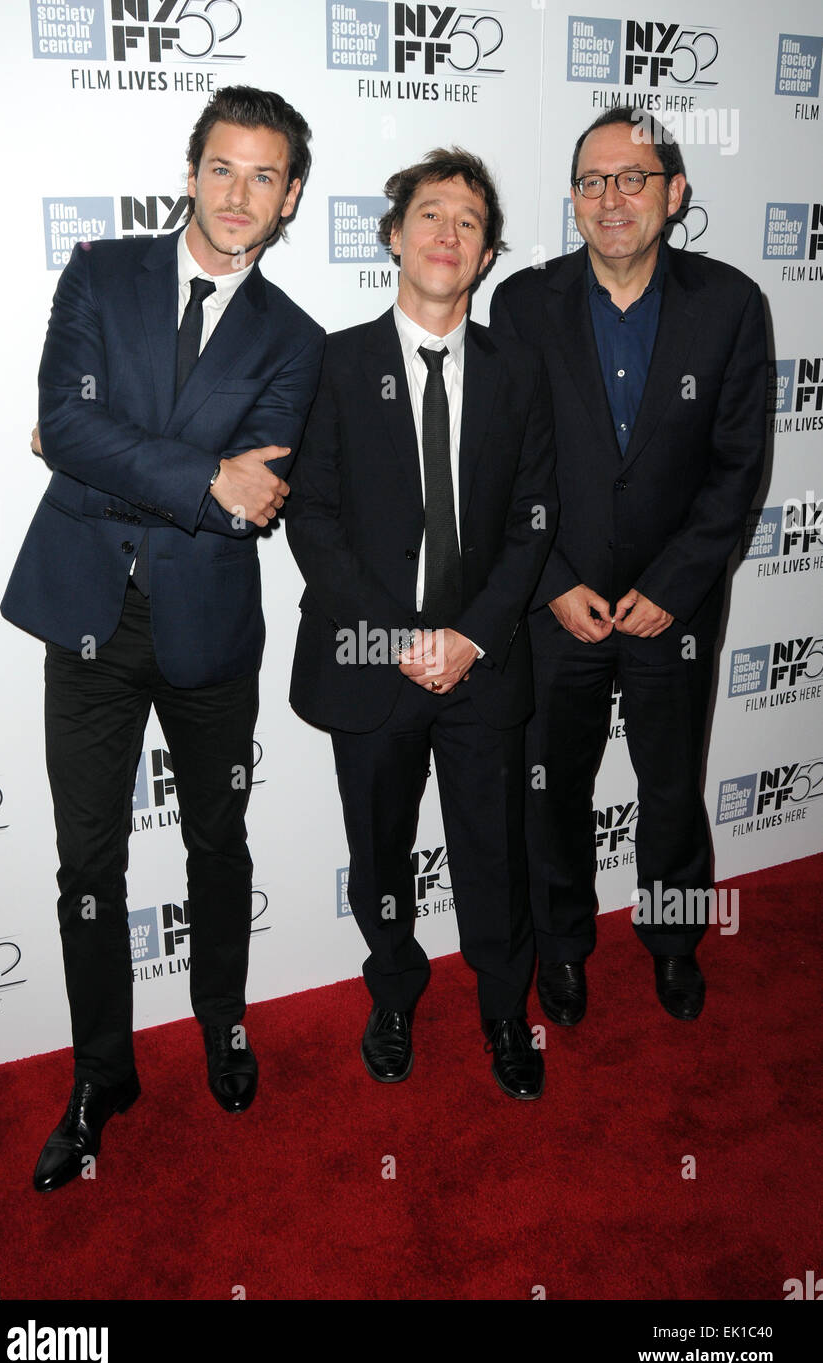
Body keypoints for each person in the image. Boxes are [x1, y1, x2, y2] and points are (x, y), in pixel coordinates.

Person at [2, 86, 324, 1192]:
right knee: (88, 861)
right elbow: (72, 419)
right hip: (87, 612)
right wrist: (191, 472)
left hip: (207, 629)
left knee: (215, 842)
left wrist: (100, 453)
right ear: (190, 172)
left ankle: (222, 1023)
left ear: (289, 199)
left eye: (265, 177)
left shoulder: (297, 340)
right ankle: (101, 1076)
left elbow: (248, 492)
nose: (241, 195)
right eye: (223, 168)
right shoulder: (100, 270)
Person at [286, 149, 557, 1098]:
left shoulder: (519, 374)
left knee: (495, 850)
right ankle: (393, 993)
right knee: (381, 851)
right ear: (394, 236)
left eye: (469, 223)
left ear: (485, 255)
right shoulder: (331, 364)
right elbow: (311, 517)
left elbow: (535, 517)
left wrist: (470, 636)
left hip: (483, 663)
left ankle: (503, 1013)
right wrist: (402, 635)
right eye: (430, 215)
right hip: (372, 662)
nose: (448, 234)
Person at [490, 106, 767, 1026]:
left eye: (634, 178)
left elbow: (737, 468)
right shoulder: (522, 305)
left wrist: (675, 587)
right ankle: (563, 947)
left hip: (671, 610)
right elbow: (505, 466)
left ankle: (676, 942)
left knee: (671, 785)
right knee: (551, 787)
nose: (612, 198)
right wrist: (554, 578)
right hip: (554, 602)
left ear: (675, 194)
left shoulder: (730, 305)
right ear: (573, 200)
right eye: (593, 181)